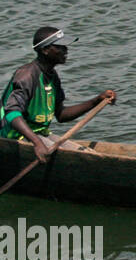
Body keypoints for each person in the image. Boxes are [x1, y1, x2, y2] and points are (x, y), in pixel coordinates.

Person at [1, 27, 116, 162]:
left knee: (87, 154)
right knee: (70, 159)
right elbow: (12, 113)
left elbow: (61, 115)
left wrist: (96, 101)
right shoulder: (26, 75)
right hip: (15, 135)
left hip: (39, 133)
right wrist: (37, 143)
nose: (66, 50)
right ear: (45, 50)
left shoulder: (52, 76)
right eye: (60, 47)